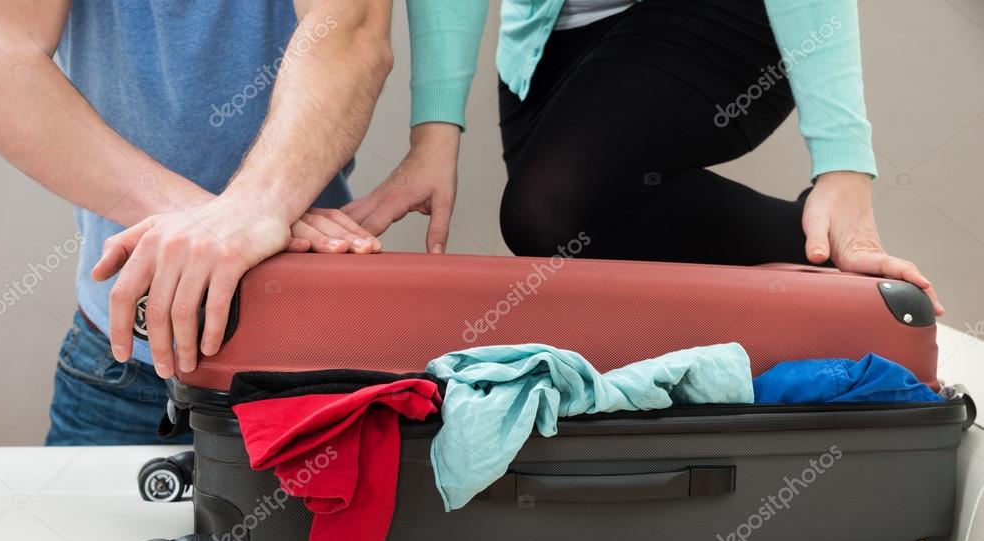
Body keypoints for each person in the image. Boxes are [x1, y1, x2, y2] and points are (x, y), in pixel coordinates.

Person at [0, 0, 393, 444]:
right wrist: (232, 215)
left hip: (309, 358)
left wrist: (256, 206)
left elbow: (351, 26)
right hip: (127, 364)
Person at [344, 0, 944, 316]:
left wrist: (843, 166)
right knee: (571, 236)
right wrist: (434, 134)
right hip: (549, 35)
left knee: (546, 210)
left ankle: (817, 239)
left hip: (722, 14)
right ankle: (802, 233)